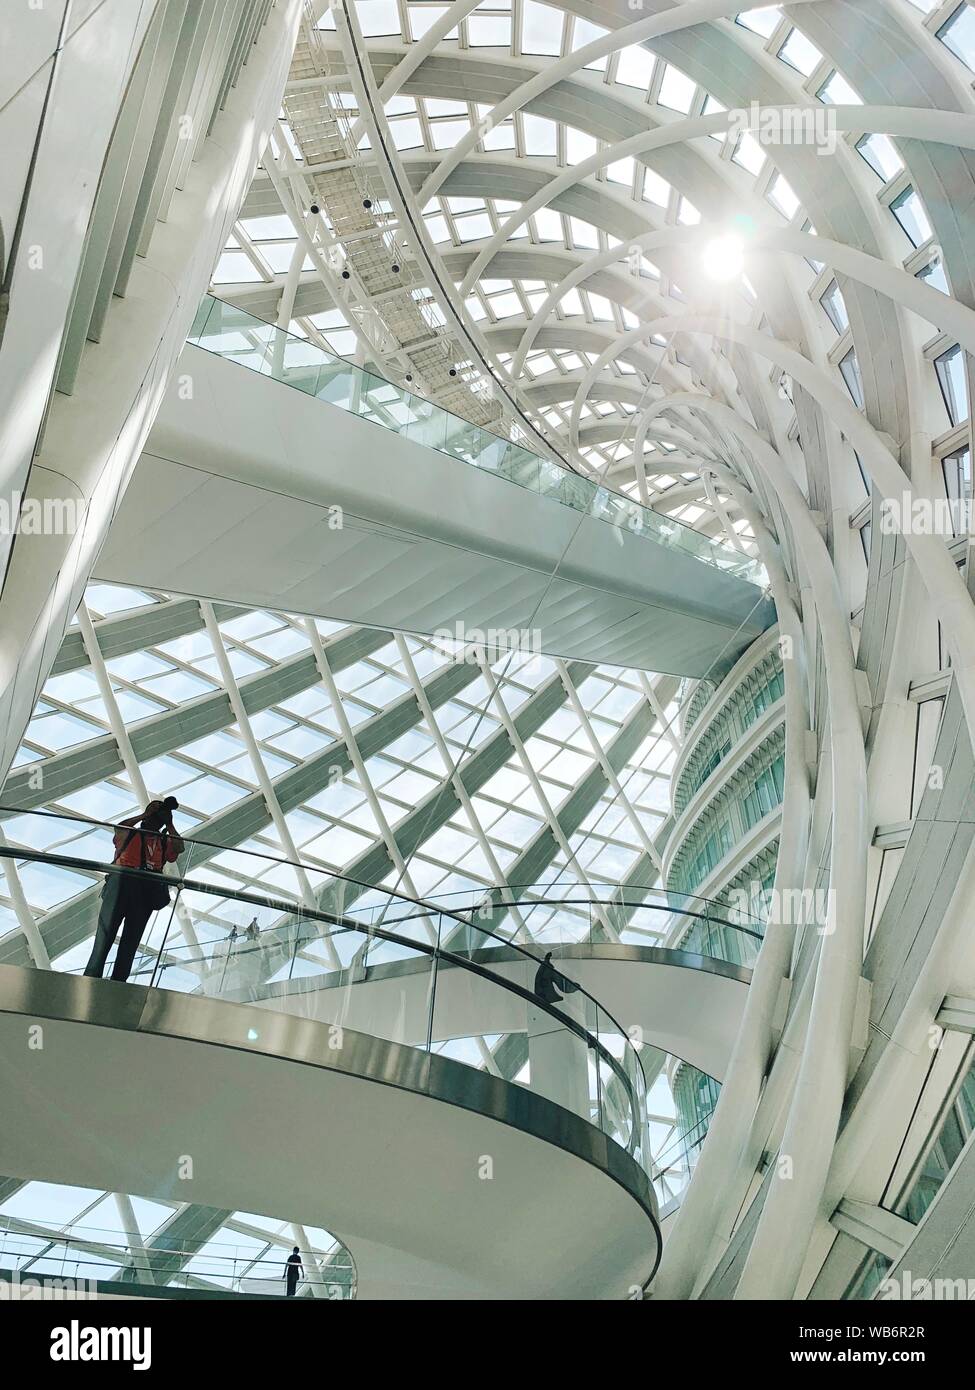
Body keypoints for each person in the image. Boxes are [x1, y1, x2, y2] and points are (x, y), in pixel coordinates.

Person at [83, 798, 184, 984]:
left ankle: (118, 982)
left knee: (131, 939)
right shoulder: (131, 834)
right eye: (154, 816)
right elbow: (119, 827)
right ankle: (91, 978)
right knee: (105, 933)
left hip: (144, 888)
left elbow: (179, 848)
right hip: (122, 883)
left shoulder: (163, 841)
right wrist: (144, 814)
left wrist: (169, 824)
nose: (155, 820)